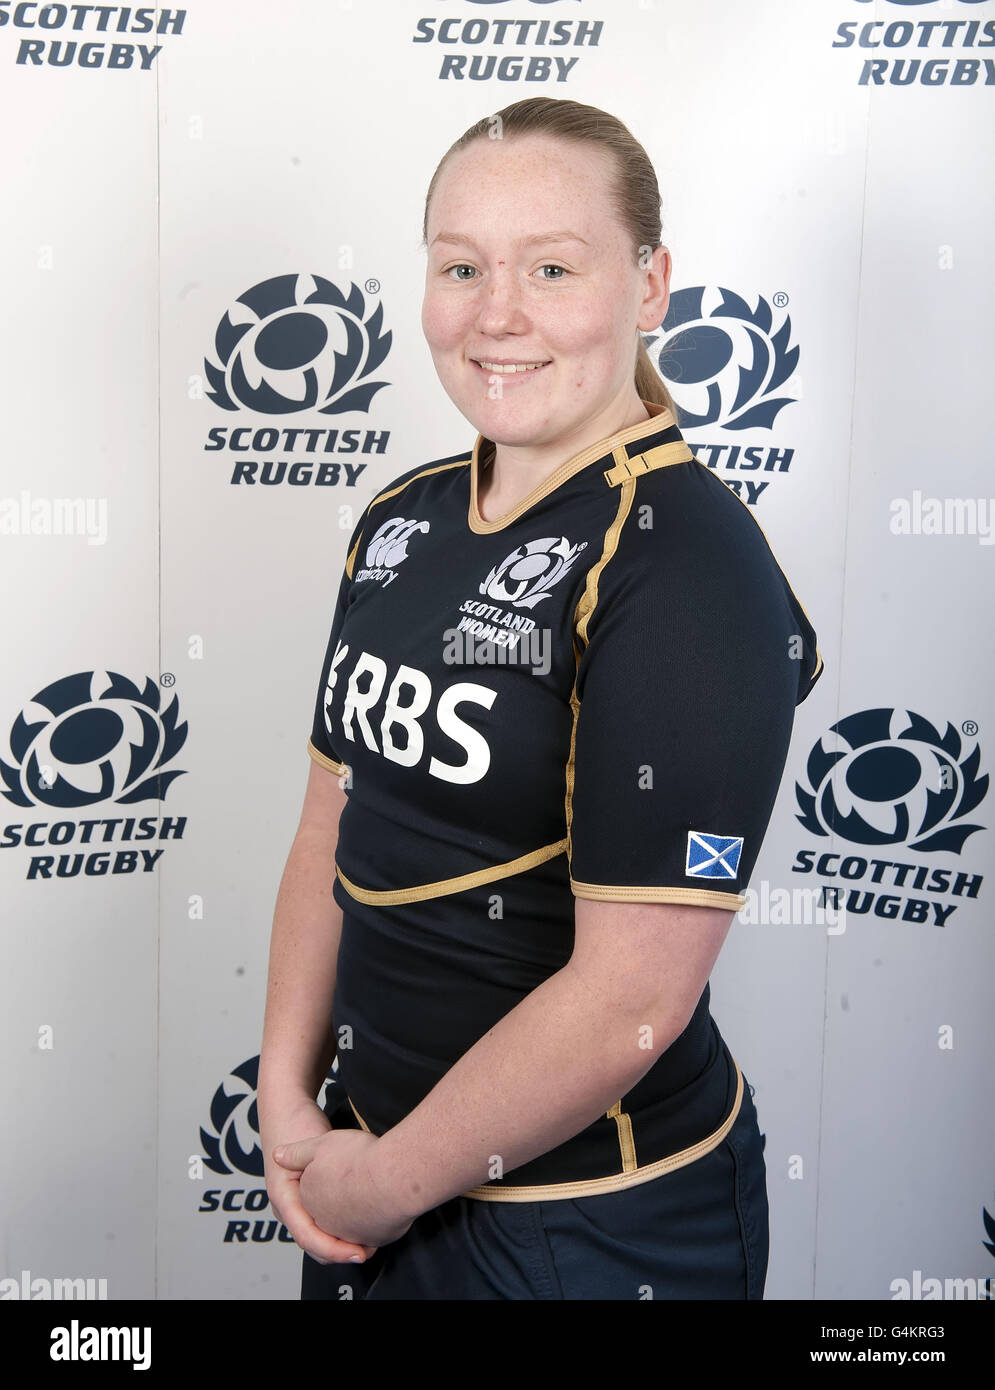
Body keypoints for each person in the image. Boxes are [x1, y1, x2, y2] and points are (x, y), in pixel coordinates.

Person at [258, 96, 823, 1301]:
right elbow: (328, 832)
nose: (495, 314)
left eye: (551, 267)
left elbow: (632, 998)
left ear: (648, 285)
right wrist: (284, 1092)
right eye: (460, 266)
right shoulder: (400, 517)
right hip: (373, 1169)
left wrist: (383, 1179)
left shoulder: (684, 564)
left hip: (584, 1231)